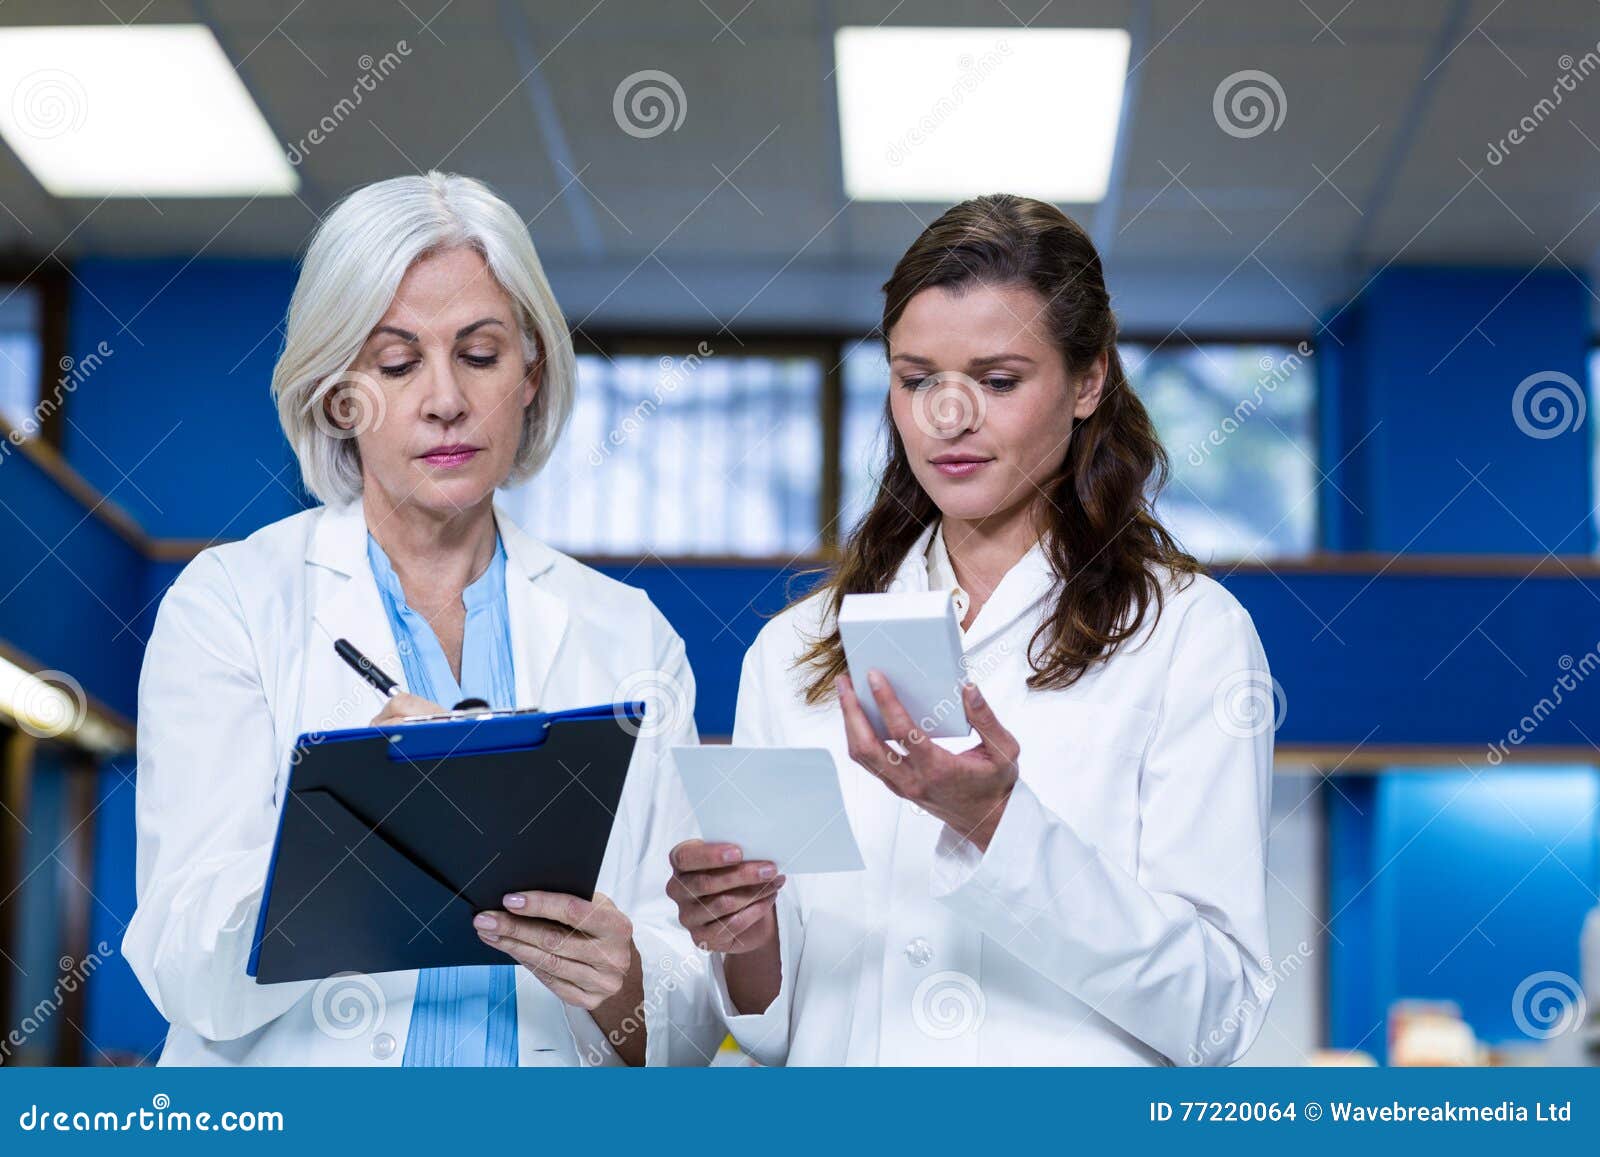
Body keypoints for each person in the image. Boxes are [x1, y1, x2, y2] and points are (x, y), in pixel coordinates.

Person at [124, 172, 722, 1067]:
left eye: (479, 355)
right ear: (337, 393)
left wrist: (624, 981)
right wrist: (343, 835)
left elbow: (688, 1021)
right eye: (397, 363)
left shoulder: (631, 636)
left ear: (531, 375)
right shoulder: (231, 604)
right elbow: (183, 966)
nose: (445, 398)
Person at [667, 194, 1276, 1065]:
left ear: (1088, 381)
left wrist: (998, 823)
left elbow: (1218, 1012)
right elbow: (775, 1025)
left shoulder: (1189, 636)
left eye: (998, 381)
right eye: (917, 379)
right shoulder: (795, 652)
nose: (947, 418)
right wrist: (746, 934)